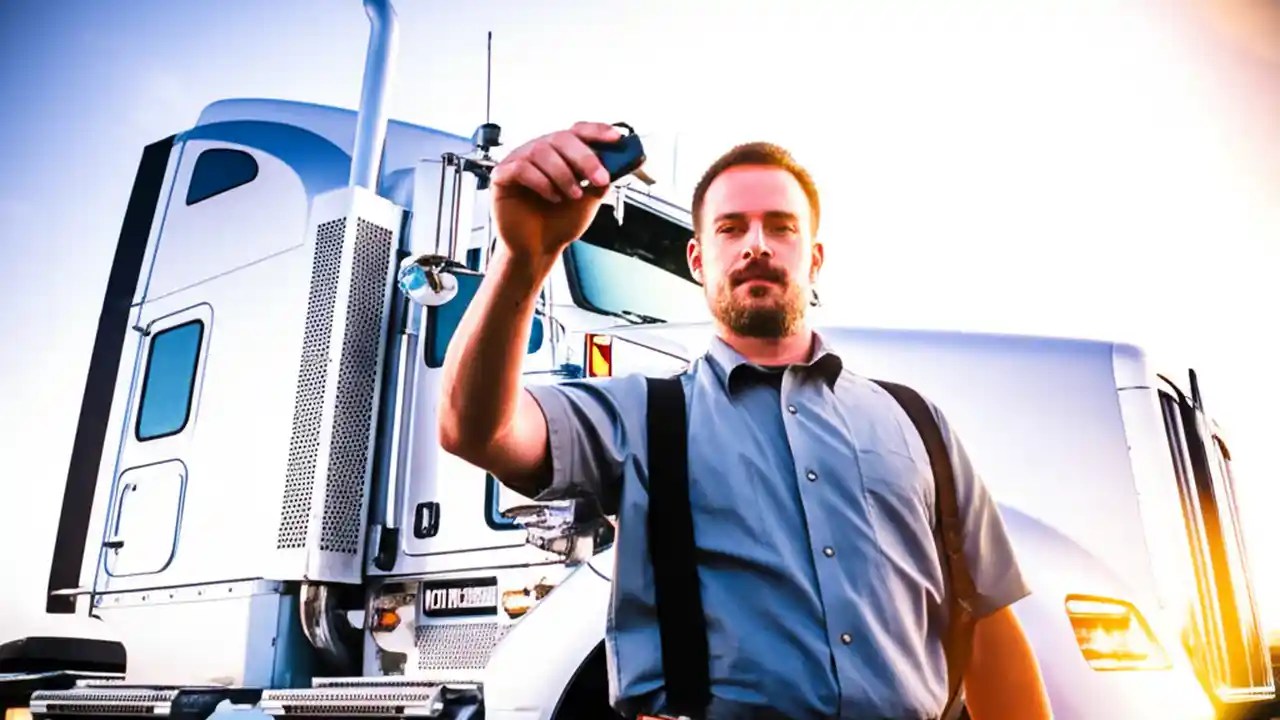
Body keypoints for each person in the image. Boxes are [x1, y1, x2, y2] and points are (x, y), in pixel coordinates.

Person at [439, 121, 1052, 720]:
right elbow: (475, 429)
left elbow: (988, 621)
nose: (756, 243)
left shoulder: (917, 422)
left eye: (780, 227)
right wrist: (525, 259)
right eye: (732, 228)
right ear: (698, 261)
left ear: (814, 259)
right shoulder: (641, 414)